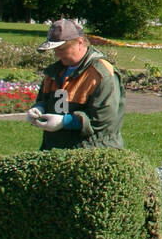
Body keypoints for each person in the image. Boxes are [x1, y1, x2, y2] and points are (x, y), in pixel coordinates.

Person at [26, 19, 125, 150]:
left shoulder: (101, 73)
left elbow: (103, 120)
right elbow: (45, 100)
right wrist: (39, 108)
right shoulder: (54, 71)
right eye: (55, 49)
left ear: (79, 42)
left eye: (61, 49)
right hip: (55, 148)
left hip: (92, 150)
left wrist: (65, 122)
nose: (57, 54)